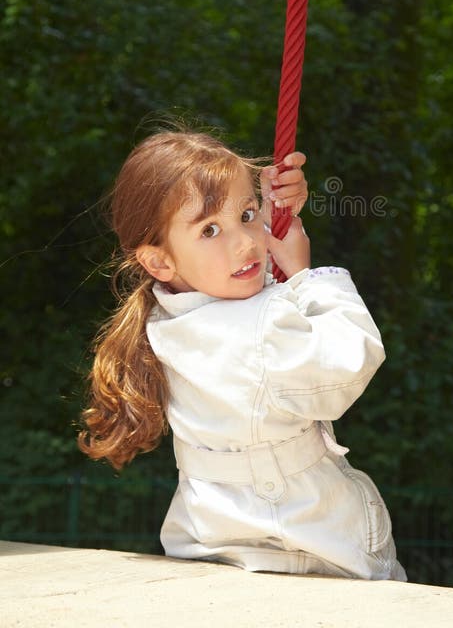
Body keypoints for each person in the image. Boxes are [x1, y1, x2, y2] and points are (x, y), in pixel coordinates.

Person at [78, 128, 406, 582]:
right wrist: (308, 276)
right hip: (307, 549)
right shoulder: (258, 330)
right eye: (209, 229)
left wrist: (276, 219)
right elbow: (348, 363)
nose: (246, 243)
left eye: (247, 214)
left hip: (212, 544)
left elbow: (245, 304)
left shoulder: (165, 320)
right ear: (160, 262)